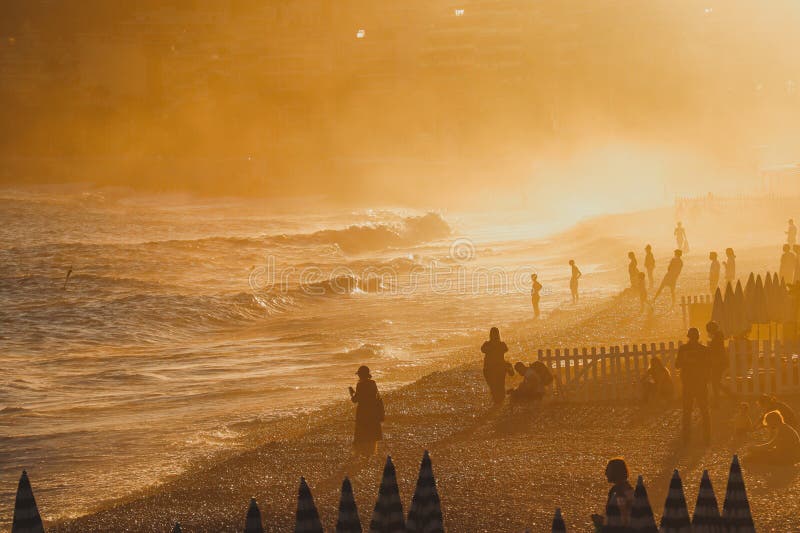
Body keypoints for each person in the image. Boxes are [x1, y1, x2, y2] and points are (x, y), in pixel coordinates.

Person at [675, 328, 711, 444]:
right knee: (704, 410)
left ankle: (686, 438)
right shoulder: (704, 350)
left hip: (688, 383)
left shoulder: (683, 349)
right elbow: (709, 366)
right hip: (700, 383)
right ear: (698, 337)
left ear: (688, 336)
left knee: (687, 411)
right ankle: (707, 437)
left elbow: (677, 365)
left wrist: (686, 361)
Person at [590, 458, 635, 530]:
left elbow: (625, 521)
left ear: (616, 472)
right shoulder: (617, 490)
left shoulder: (621, 492)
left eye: (608, 470)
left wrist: (602, 521)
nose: (605, 473)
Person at [349, 365, 383, 456]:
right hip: (372, 410)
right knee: (371, 430)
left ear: (360, 375)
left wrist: (351, 393)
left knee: (361, 431)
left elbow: (355, 400)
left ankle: (361, 451)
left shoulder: (360, 384)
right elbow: (376, 397)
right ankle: (371, 451)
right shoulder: (373, 383)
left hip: (363, 411)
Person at [481, 327, 513, 405]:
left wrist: (492, 347)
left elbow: (483, 349)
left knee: (494, 385)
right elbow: (505, 349)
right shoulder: (501, 344)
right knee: (499, 384)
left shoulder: (488, 344)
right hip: (497, 368)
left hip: (491, 368)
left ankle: (498, 400)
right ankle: (499, 400)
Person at [706, 321, 730, 406]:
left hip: (718, 363)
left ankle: (718, 400)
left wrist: (708, 347)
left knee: (714, 381)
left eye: (708, 330)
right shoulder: (718, 336)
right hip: (719, 362)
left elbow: (714, 349)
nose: (708, 332)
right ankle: (727, 394)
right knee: (715, 381)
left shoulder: (717, 337)